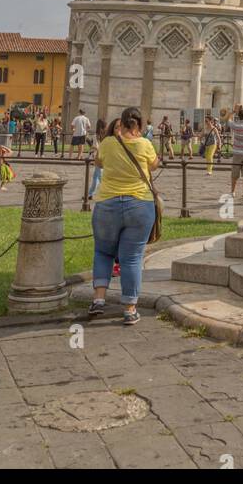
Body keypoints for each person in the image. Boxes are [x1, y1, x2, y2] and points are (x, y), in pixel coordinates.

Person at [88, 106, 159, 326]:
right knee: (131, 258)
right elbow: (155, 165)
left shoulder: (108, 143)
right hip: (139, 205)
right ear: (138, 124)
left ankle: (99, 299)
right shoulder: (145, 144)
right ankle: (129, 309)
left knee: (103, 252)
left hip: (107, 204)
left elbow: (98, 162)